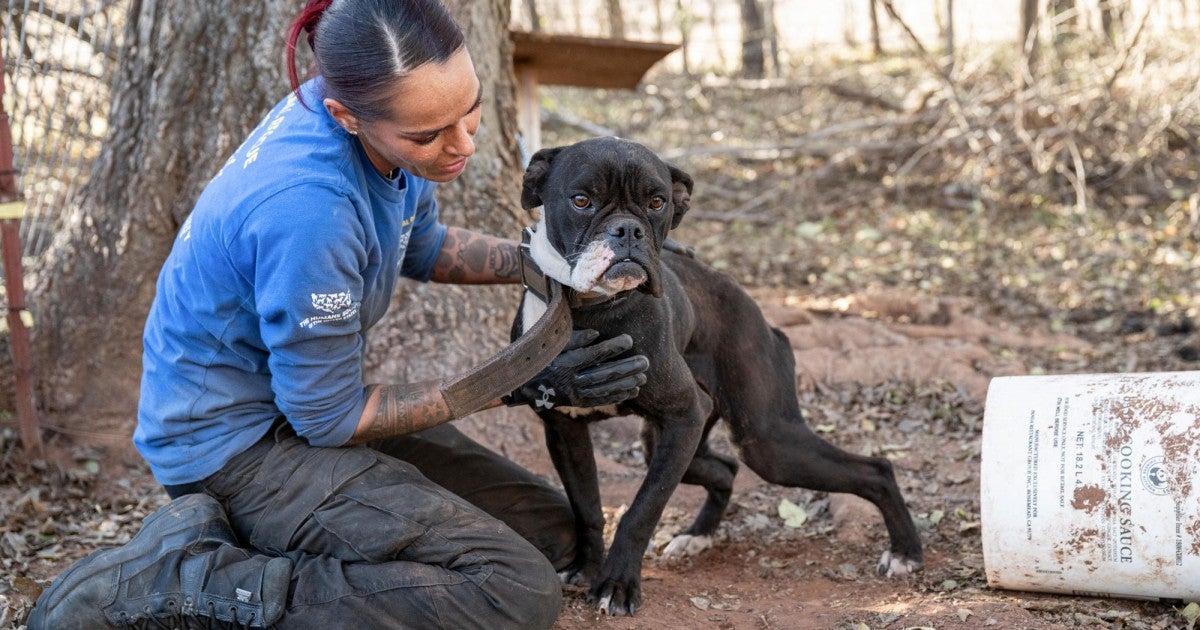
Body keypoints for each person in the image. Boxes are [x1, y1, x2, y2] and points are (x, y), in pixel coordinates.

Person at [27, 1, 651, 628]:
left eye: (470, 109)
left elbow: (423, 244)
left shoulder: (394, 121)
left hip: (300, 408)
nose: (462, 143)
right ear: (345, 116)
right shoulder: (308, 207)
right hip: (233, 450)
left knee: (557, 535)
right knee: (516, 589)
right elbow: (328, 417)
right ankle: (191, 581)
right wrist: (523, 382)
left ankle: (264, 542)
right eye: (429, 134)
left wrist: (547, 263)